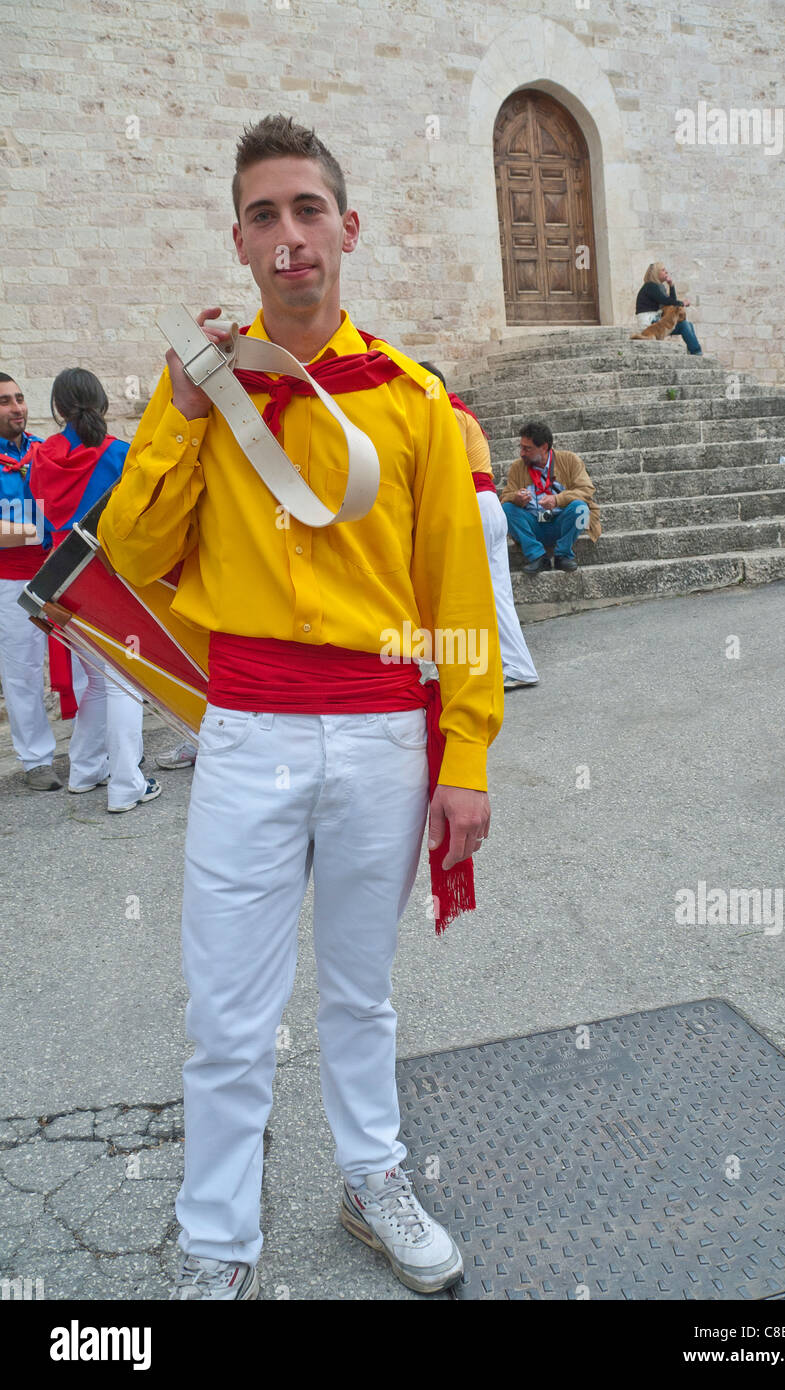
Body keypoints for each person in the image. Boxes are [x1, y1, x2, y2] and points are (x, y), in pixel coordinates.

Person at [96, 113, 502, 1300]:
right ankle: (218, 1239)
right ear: (240, 242)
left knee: (359, 992)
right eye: (264, 216)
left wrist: (464, 752)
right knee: (228, 1012)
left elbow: (458, 596)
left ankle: (372, 1179)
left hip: (381, 731)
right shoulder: (206, 398)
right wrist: (176, 404)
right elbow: (129, 549)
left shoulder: (418, 403)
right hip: (253, 729)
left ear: (347, 227)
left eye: (307, 209)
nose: (290, 236)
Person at [27, 369, 161, 813]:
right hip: (109, 576)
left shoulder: (42, 457)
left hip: (62, 580)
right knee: (123, 682)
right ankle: (127, 784)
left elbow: (44, 523)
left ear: (58, 409)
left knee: (101, 683)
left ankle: (85, 770)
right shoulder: (121, 454)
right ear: (102, 403)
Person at [419, 363, 539, 692]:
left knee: (457, 591)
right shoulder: (456, 411)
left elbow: (446, 466)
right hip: (484, 505)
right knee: (496, 593)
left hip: (473, 504)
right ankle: (517, 666)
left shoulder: (451, 416)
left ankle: (450, 670)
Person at [0, 372, 61, 788]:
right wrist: (42, 530)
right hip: (12, 580)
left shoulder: (46, 451)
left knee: (81, 666)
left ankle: (95, 749)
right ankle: (36, 760)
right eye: (5, 401)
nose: (18, 407)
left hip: (58, 575)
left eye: (20, 397)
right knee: (22, 673)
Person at [500, 421, 602, 575]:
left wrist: (557, 500)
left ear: (544, 447)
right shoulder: (517, 467)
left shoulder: (569, 460)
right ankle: (538, 556)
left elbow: (586, 490)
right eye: (521, 447)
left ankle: (563, 555)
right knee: (506, 509)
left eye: (527, 449)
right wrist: (516, 498)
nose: (522, 453)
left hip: (561, 523)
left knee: (581, 508)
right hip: (534, 524)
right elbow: (505, 497)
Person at [634, 262, 702, 354]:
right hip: (649, 323)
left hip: (656, 320)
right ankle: (696, 353)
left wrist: (671, 286)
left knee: (688, 325)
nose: (666, 272)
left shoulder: (659, 287)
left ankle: (694, 352)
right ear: (656, 273)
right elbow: (667, 301)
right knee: (684, 325)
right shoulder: (650, 286)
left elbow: (671, 304)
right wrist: (682, 303)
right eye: (663, 270)